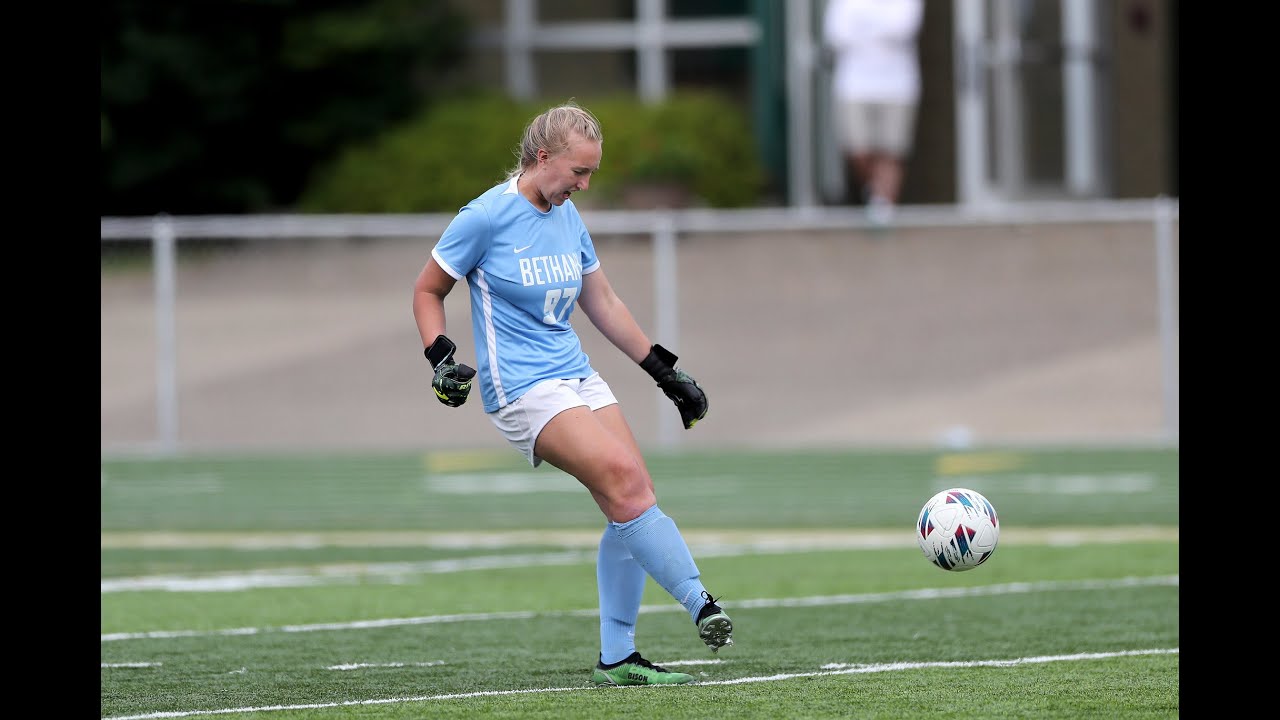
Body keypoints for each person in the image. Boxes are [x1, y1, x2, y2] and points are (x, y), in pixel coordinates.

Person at [411, 101, 731, 687]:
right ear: (543, 158)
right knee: (625, 482)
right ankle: (702, 604)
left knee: (633, 496)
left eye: (591, 175)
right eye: (578, 172)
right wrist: (442, 357)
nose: (583, 185)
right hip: (522, 388)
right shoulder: (485, 216)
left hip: (575, 374)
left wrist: (664, 372)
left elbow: (602, 302)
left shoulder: (568, 215)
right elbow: (428, 291)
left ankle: (619, 657)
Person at [822, 0, 925, 226]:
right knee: (858, 149)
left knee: (891, 151)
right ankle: (877, 191)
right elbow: (837, 35)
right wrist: (880, 29)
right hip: (854, 86)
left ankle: (882, 208)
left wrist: (862, 28)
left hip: (898, 87)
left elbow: (903, 29)